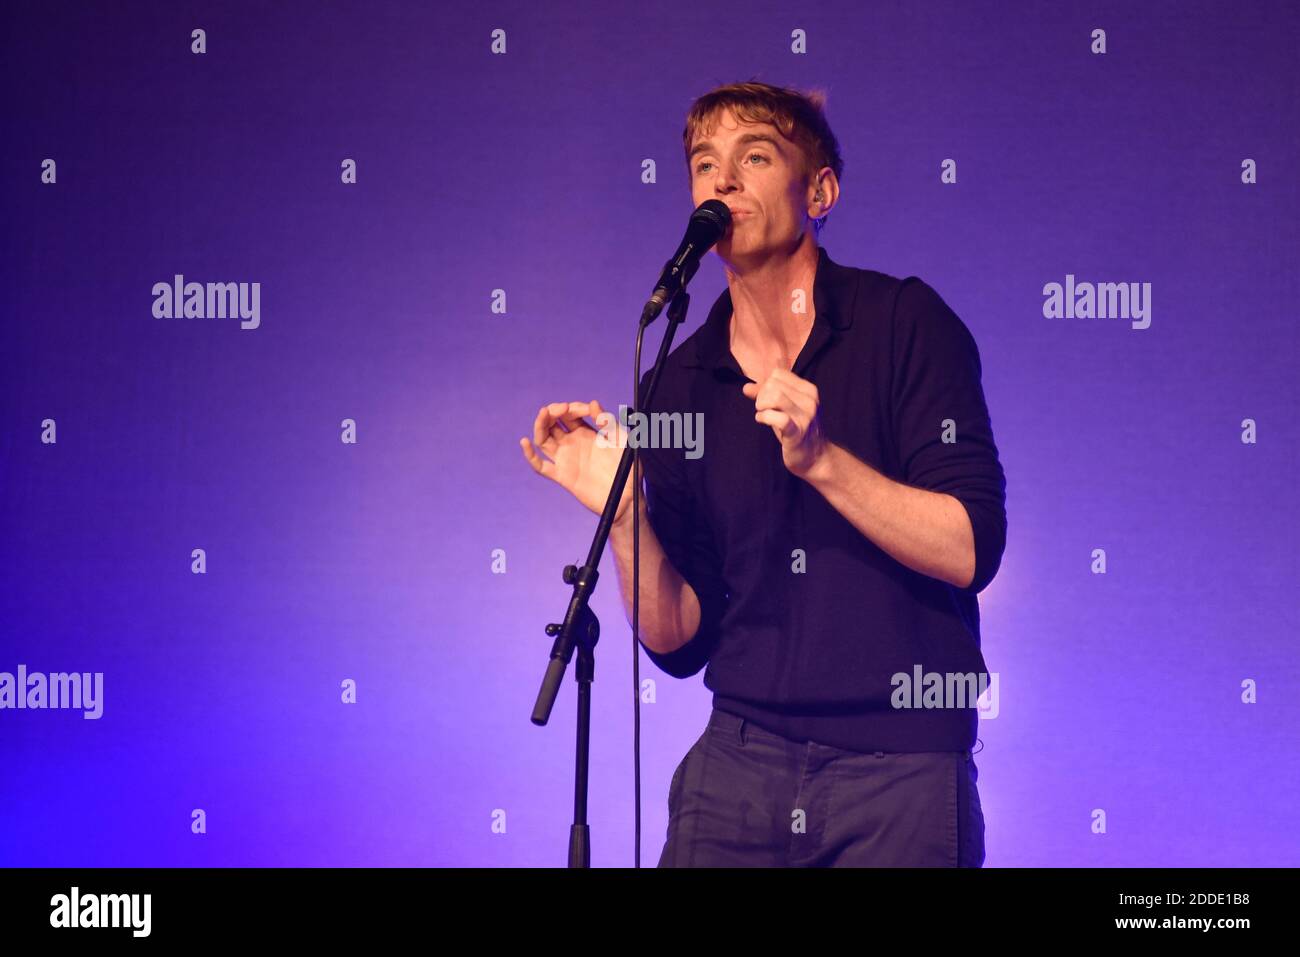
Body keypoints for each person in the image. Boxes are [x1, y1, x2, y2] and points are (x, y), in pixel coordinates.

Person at [521, 81, 1006, 867]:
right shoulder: (679, 383)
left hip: (903, 772)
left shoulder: (904, 324)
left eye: (755, 155)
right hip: (738, 764)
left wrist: (823, 462)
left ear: (820, 190)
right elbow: (680, 640)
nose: (723, 180)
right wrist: (624, 519)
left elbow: (971, 547)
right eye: (705, 162)